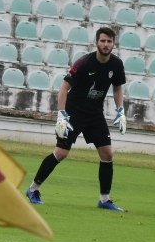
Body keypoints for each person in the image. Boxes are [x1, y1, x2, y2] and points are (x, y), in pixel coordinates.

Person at [25, 27, 126, 211]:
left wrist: (121, 110)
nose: (106, 44)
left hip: (95, 114)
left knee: (107, 154)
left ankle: (104, 200)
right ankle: (33, 189)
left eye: (109, 41)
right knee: (61, 153)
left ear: (113, 44)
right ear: (97, 42)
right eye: (103, 41)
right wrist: (61, 115)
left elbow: (118, 88)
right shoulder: (84, 63)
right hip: (74, 112)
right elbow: (64, 88)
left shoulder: (117, 64)